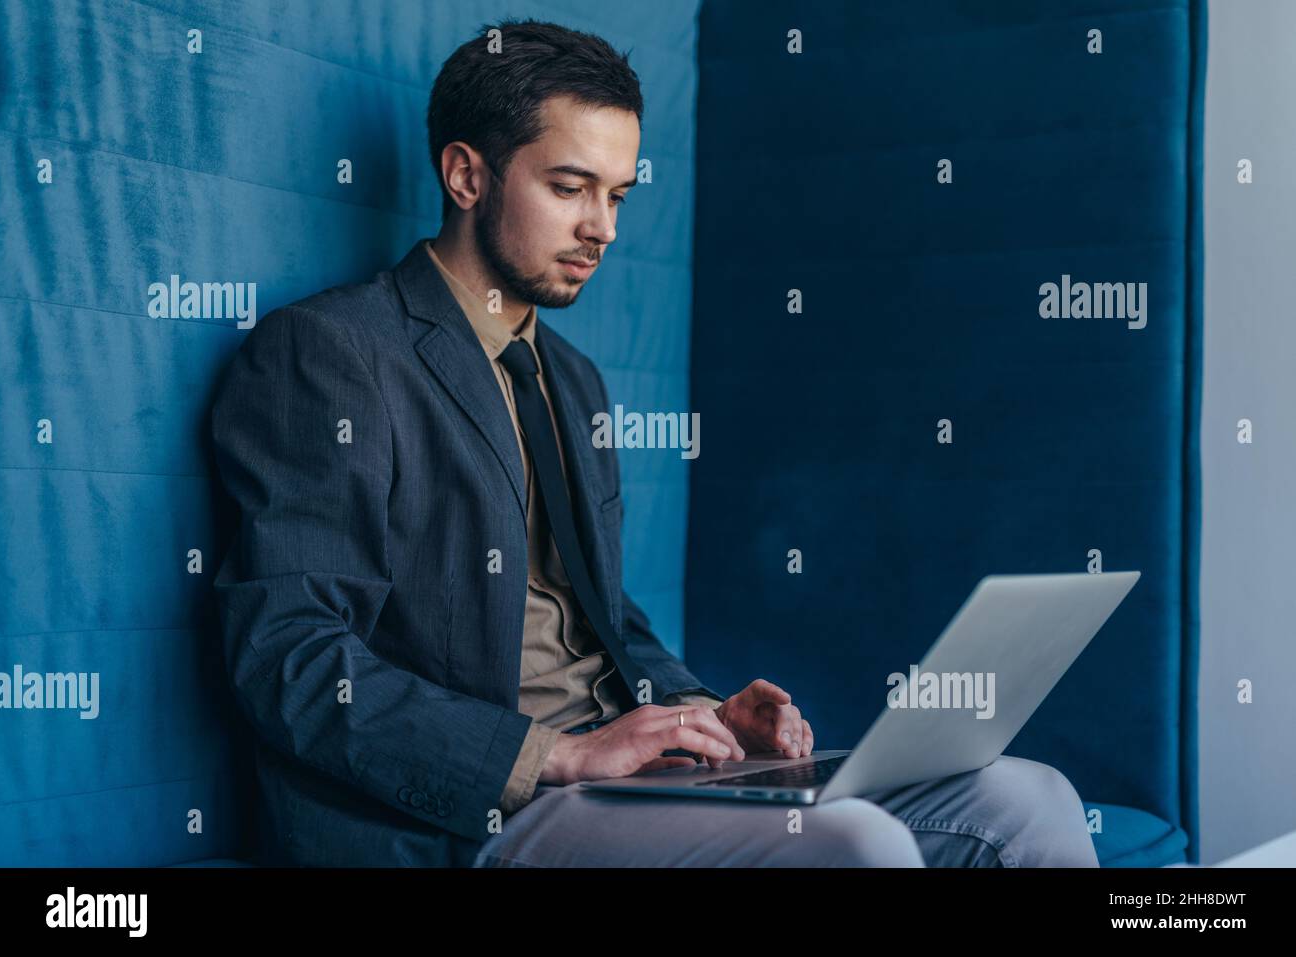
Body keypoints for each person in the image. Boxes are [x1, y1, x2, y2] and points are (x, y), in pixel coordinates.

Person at [210, 18, 1098, 868]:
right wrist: (556, 757)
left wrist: (701, 712)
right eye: (570, 188)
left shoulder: (574, 377)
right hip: (481, 812)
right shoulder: (331, 354)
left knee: (1025, 797)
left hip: (632, 782)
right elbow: (291, 658)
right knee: (854, 848)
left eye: (618, 194)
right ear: (466, 175)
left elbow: (604, 621)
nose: (604, 228)